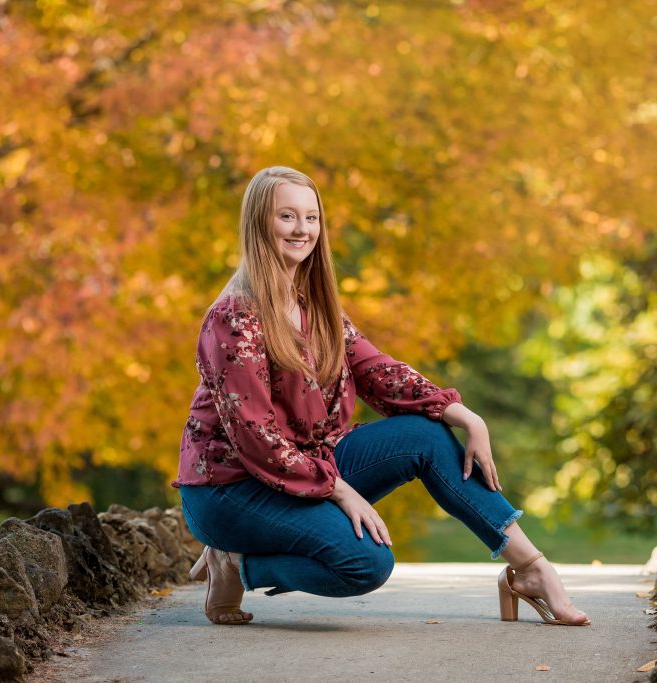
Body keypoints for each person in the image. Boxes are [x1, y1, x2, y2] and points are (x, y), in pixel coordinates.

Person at [173, 166, 590, 627]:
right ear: (258, 224)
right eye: (286, 216)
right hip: (232, 491)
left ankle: (530, 569)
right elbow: (257, 437)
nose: (302, 229)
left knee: (425, 435)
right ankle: (233, 563)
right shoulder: (234, 317)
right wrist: (341, 490)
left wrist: (466, 416)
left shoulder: (312, 303)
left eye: (311, 218)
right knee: (366, 563)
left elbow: (376, 370)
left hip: (308, 463)